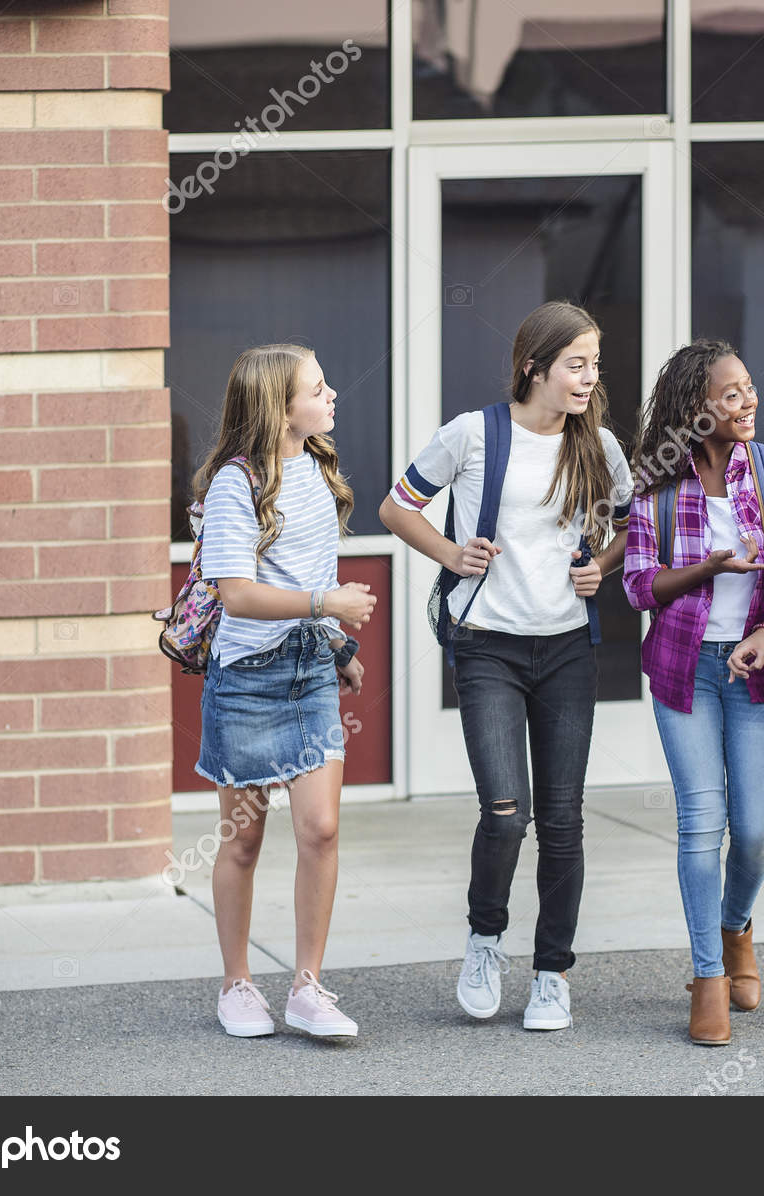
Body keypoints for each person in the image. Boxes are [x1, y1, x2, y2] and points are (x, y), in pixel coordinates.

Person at [379, 301, 633, 1031]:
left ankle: (552, 972)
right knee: (505, 813)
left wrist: (601, 568)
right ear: (535, 366)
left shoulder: (600, 447)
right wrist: (450, 552)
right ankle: (485, 939)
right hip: (487, 643)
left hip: (565, 651)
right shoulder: (473, 434)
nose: (589, 377)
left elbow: (627, 525)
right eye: (575, 363)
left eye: (594, 363)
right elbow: (399, 509)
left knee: (562, 821)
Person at [622, 338, 764, 1046]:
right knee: (702, 822)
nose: (747, 402)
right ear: (695, 411)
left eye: (749, 388)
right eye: (730, 395)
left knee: (758, 830)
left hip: (755, 664)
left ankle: (736, 928)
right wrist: (707, 567)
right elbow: (639, 584)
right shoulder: (655, 487)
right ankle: (708, 979)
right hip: (686, 668)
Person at [195, 343, 378, 1040]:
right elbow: (237, 595)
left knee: (322, 829)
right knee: (243, 842)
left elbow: (309, 566)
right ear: (279, 406)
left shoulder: (319, 470)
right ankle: (237, 983)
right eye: (318, 389)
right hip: (246, 678)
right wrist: (327, 604)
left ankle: (307, 984)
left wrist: (336, 648)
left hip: (309, 670)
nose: (332, 397)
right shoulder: (234, 484)